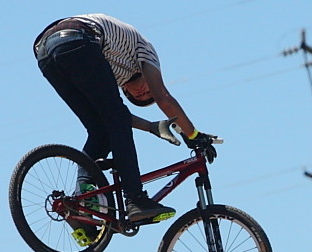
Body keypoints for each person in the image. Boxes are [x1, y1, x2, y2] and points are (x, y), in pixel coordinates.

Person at [33, 14, 205, 226]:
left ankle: (80, 204)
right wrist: (193, 135)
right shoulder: (147, 54)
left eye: (141, 97)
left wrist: (151, 127)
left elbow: (116, 114)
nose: (143, 92)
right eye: (146, 91)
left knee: (100, 130)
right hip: (76, 37)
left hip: (45, 53)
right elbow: (163, 97)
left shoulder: (111, 71)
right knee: (116, 122)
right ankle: (136, 199)